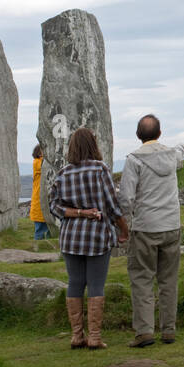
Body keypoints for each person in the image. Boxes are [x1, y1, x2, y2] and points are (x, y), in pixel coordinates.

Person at [49, 127, 127, 350]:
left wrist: (75, 213)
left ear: (72, 147)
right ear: (94, 145)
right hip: (96, 235)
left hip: (70, 236)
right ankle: (94, 337)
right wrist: (124, 229)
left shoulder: (63, 173)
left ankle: (76, 336)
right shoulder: (100, 169)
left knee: (75, 282)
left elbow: (53, 205)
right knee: (95, 284)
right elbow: (113, 206)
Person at [119, 114, 184, 347]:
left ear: (139, 136)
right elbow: (181, 149)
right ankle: (169, 330)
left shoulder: (134, 160)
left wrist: (123, 224)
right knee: (168, 280)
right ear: (160, 134)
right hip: (171, 225)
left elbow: (126, 199)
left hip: (146, 227)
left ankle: (144, 332)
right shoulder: (171, 156)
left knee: (142, 279)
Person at [31, 145, 51, 243]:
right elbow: (44, 165)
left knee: (49, 229)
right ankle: (37, 245)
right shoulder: (37, 162)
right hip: (39, 198)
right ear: (39, 153)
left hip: (44, 197)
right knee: (39, 229)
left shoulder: (39, 162)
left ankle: (48, 245)